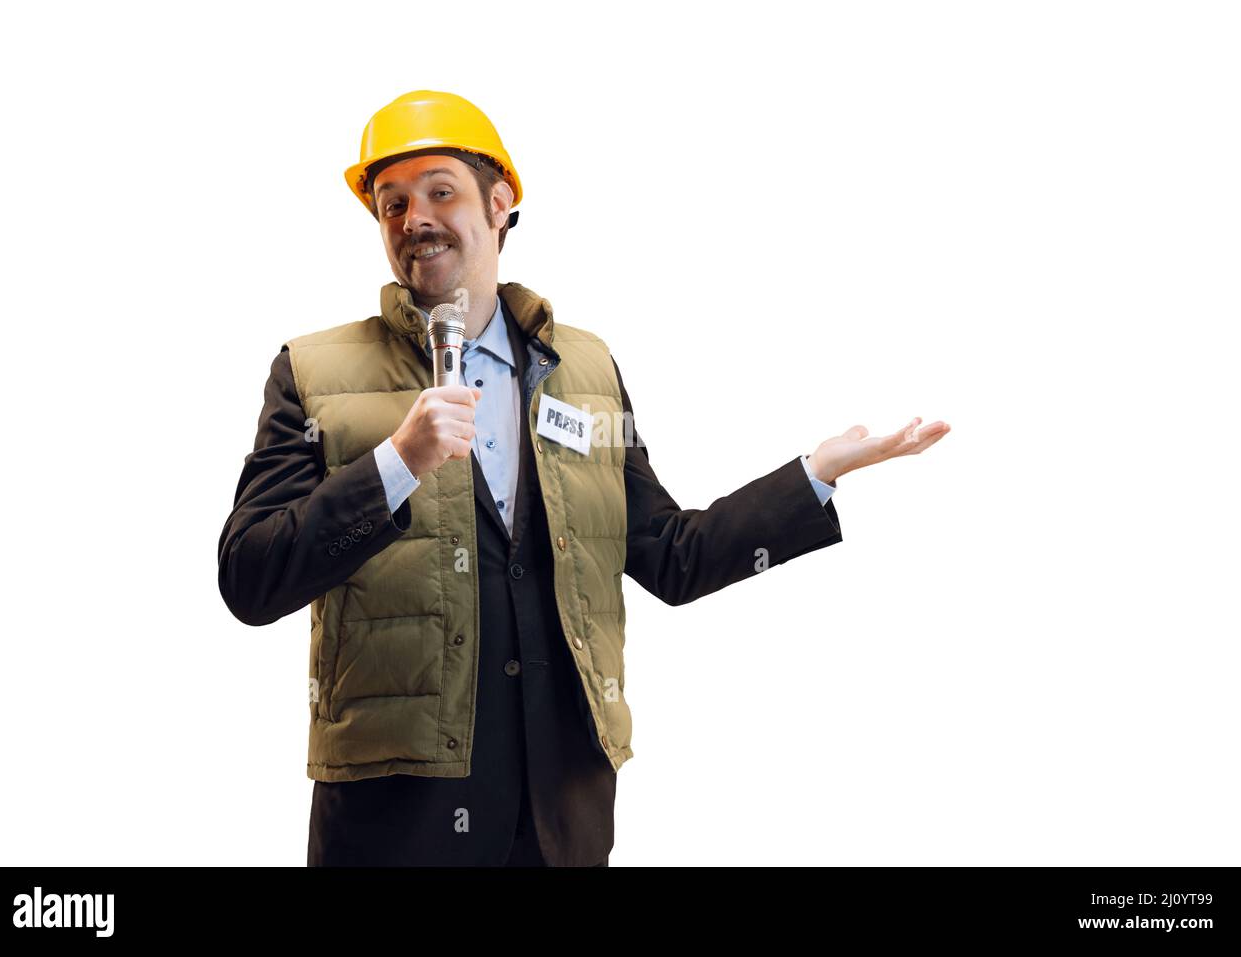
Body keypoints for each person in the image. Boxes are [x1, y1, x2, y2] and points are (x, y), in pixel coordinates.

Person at [216, 89, 951, 867]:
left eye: (440, 192)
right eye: (391, 203)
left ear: (500, 204)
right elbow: (249, 576)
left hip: (561, 816)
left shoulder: (586, 371)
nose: (413, 219)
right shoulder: (312, 373)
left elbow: (671, 554)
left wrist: (813, 476)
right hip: (394, 825)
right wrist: (395, 464)